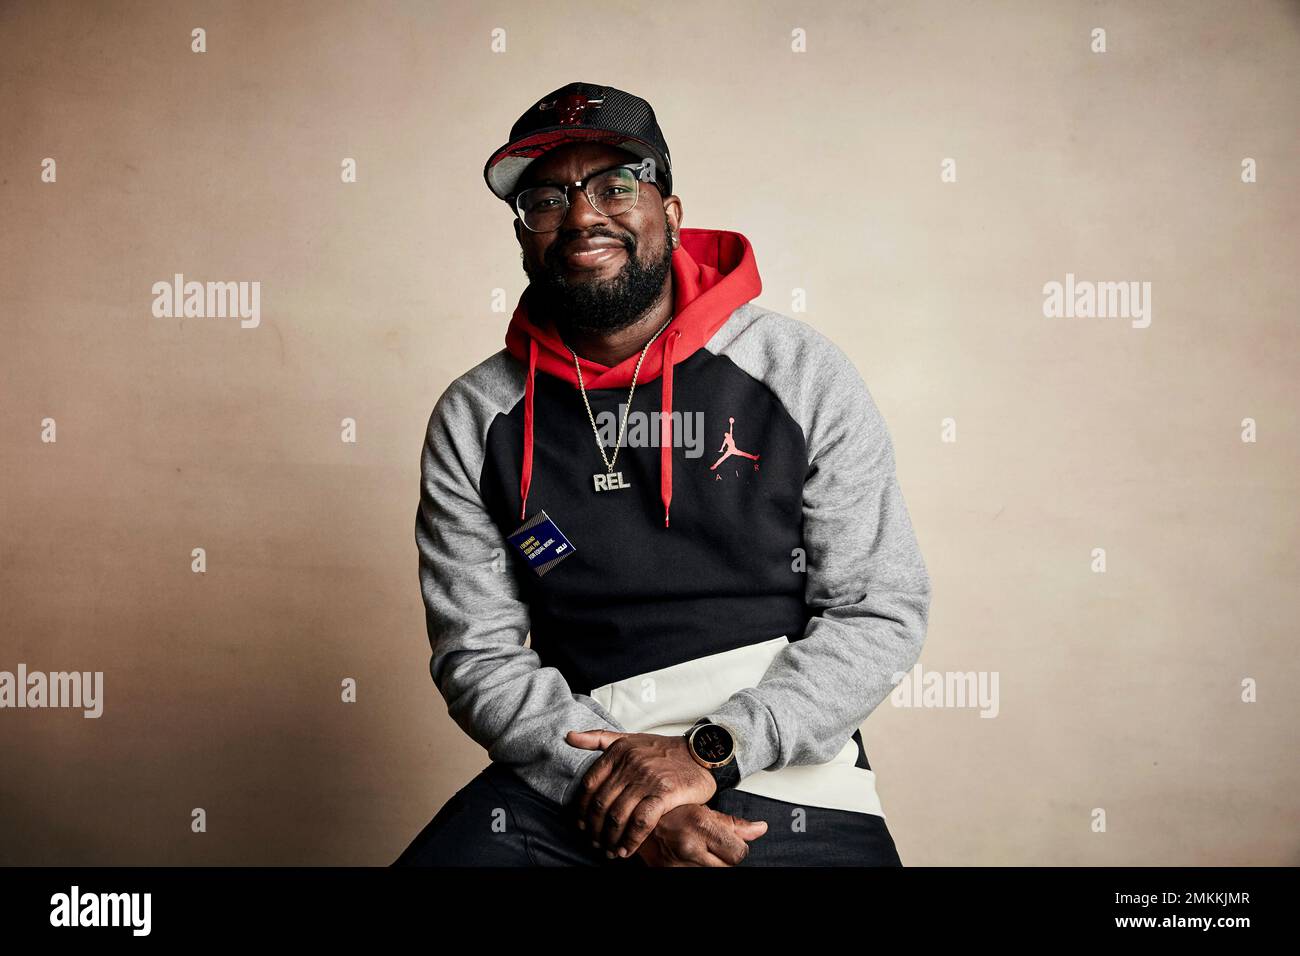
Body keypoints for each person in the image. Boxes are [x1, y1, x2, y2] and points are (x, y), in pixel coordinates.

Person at [393, 82, 931, 867]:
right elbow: (478, 653)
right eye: (546, 199)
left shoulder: (798, 372)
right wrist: (613, 788)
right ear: (523, 235)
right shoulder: (477, 416)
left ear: (670, 214)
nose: (581, 216)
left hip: (782, 757)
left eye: (614, 185)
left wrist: (712, 752)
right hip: (576, 763)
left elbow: (879, 609)